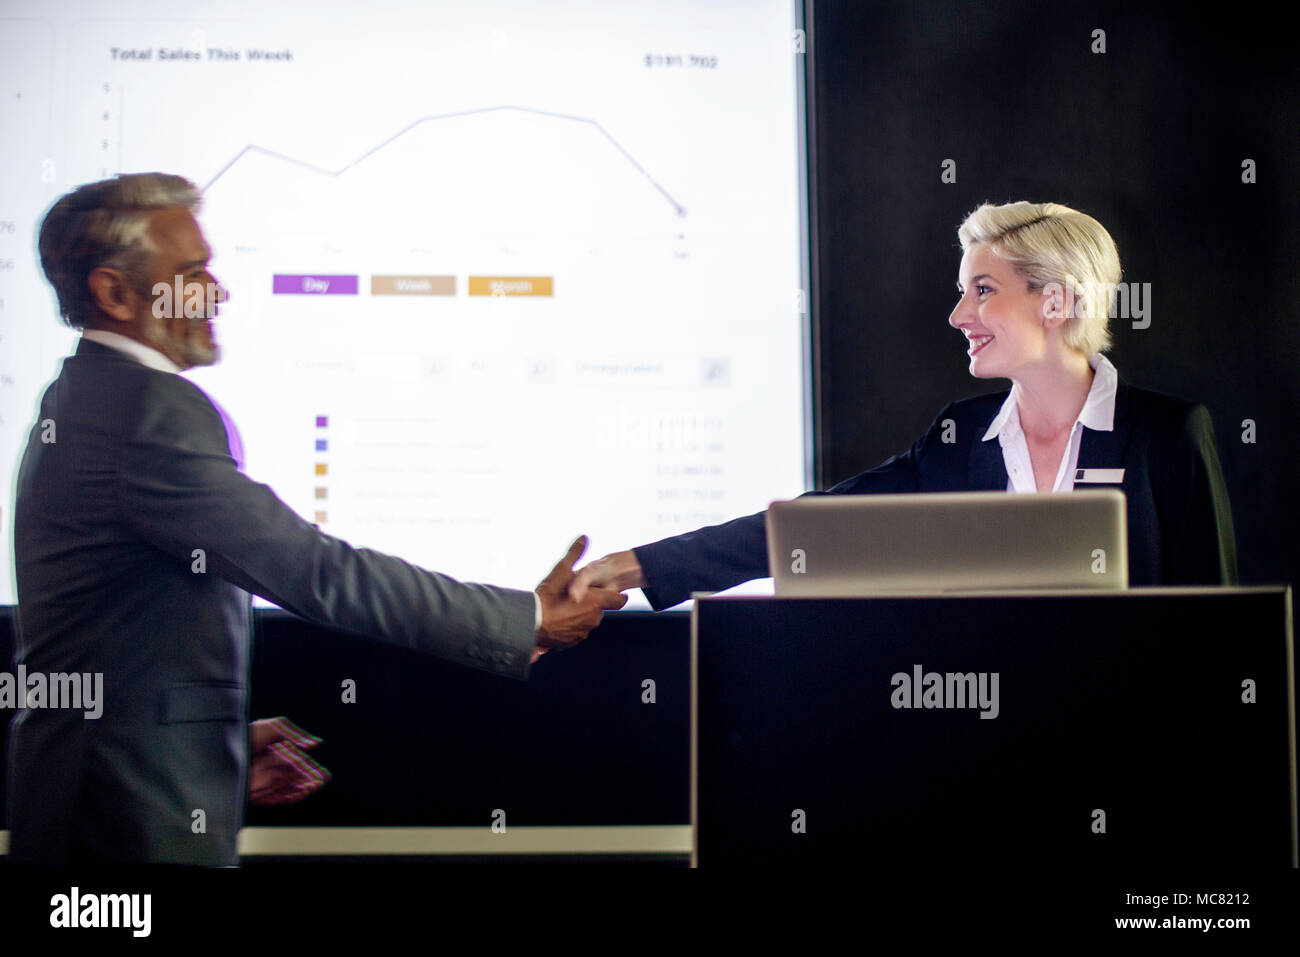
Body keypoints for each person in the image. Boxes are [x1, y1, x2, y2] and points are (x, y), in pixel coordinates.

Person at [7, 172, 626, 865]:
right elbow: (315, 569)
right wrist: (524, 619)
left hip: (97, 807)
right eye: (192, 273)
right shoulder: (145, 412)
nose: (218, 292)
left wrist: (216, 749)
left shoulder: (82, 397)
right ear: (114, 292)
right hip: (114, 834)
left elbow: (118, 642)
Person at [572, 201, 1237, 609]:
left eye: (983, 290)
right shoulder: (961, 436)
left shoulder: (1165, 435)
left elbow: (1221, 636)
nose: (957, 315)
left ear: (1056, 300)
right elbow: (822, 523)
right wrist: (638, 566)